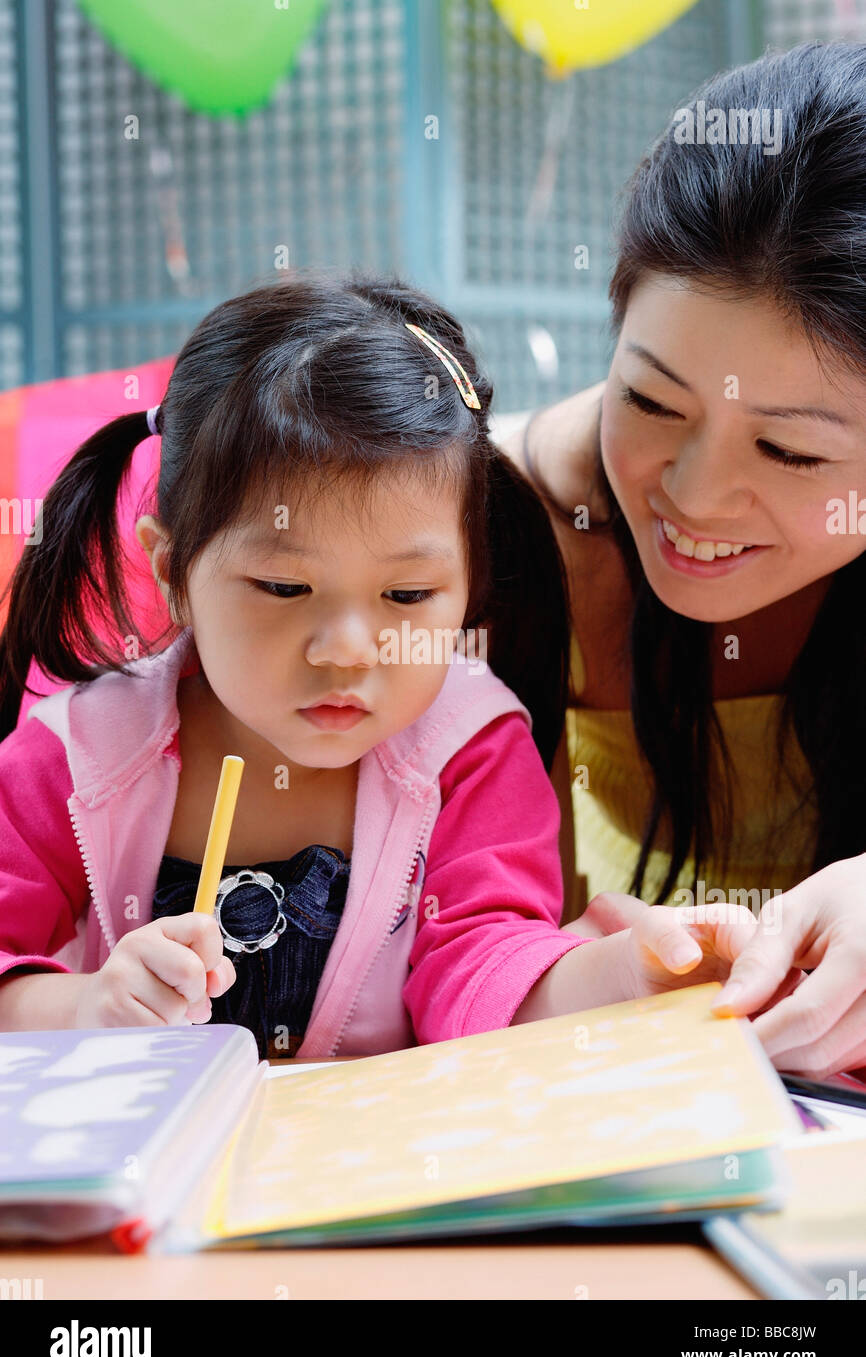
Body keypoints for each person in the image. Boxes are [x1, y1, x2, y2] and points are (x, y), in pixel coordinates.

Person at [0, 271, 746, 1061]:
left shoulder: (469, 750)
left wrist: (629, 974)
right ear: (172, 573)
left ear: (468, 582)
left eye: (408, 592)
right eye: (284, 586)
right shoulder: (77, 755)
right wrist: (89, 1005)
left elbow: (485, 966)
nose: (350, 649)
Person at [501, 41, 866, 1079]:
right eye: (651, 400)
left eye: (790, 450)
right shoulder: (455, 547)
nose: (691, 497)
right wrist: (546, 970)